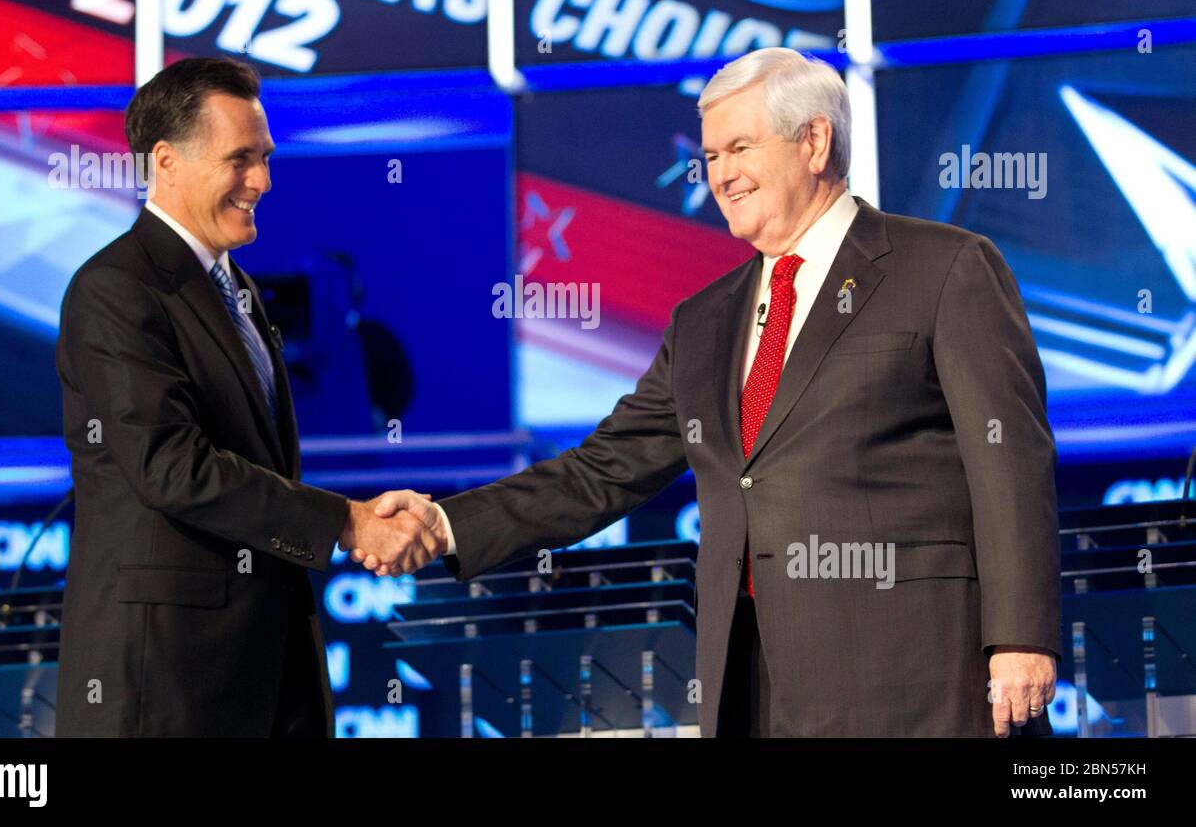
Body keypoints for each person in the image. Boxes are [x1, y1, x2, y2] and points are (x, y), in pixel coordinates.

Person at [359, 47, 1061, 737]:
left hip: (917, 673)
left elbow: (1012, 462)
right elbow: (601, 470)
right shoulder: (704, 322)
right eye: (711, 157)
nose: (719, 175)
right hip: (751, 681)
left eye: (739, 149)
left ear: (814, 141)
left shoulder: (943, 268)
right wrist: (445, 524)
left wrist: (1021, 638)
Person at [54, 57, 447, 736]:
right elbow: (172, 467)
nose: (262, 181)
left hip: (266, 666)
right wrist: (349, 525)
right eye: (240, 160)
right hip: (170, 681)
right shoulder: (116, 289)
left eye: (264, 158)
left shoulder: (237, 290)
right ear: (167, 162)